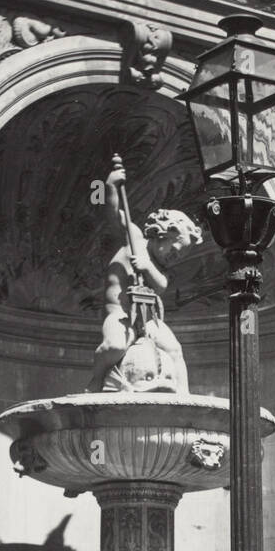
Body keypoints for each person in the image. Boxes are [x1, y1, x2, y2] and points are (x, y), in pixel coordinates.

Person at [90, 162, 202, 393]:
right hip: (120, 315)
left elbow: (161, 286)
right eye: (174, 251)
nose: (174, 258)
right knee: (114, 346)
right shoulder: (135, 239)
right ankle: (95, 380)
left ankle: (184, 394)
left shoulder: (157, 267)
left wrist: (146, 267)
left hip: (148, 319)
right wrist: (109, 185)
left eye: (178, 256)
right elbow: (110, 214)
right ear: (162, 234)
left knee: (174, 349)